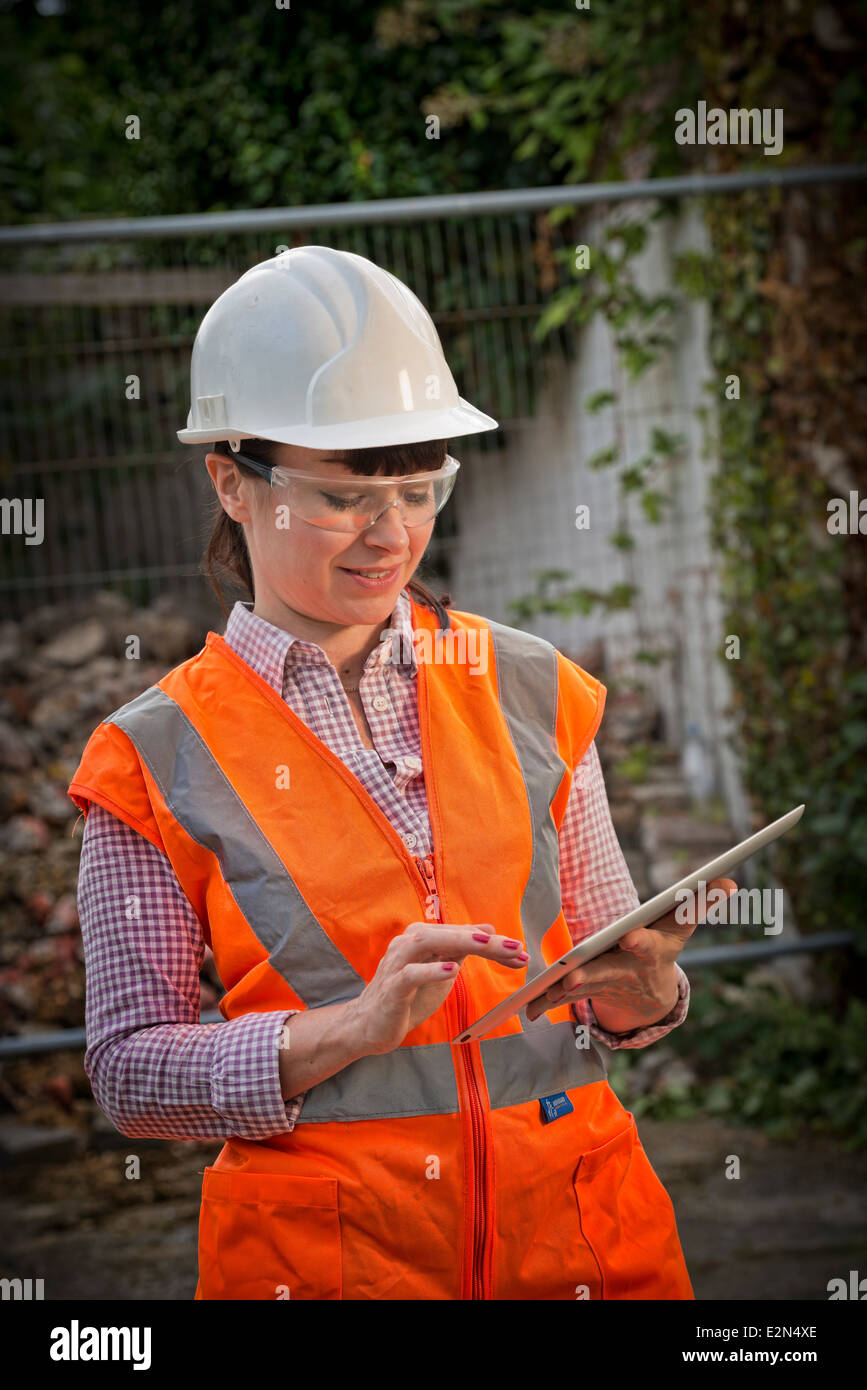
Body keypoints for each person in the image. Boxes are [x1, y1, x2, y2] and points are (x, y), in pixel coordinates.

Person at [68, 245, 733, 1301]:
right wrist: (349, 1031)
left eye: (419, 491)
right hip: (332, 1266)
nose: (391, 537)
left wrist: (649, 990)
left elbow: (610, 996)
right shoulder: (153, 757)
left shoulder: (533, 686)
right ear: (232, 482)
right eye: (342, 497)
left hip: (582, 1245)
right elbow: (131, 1075)